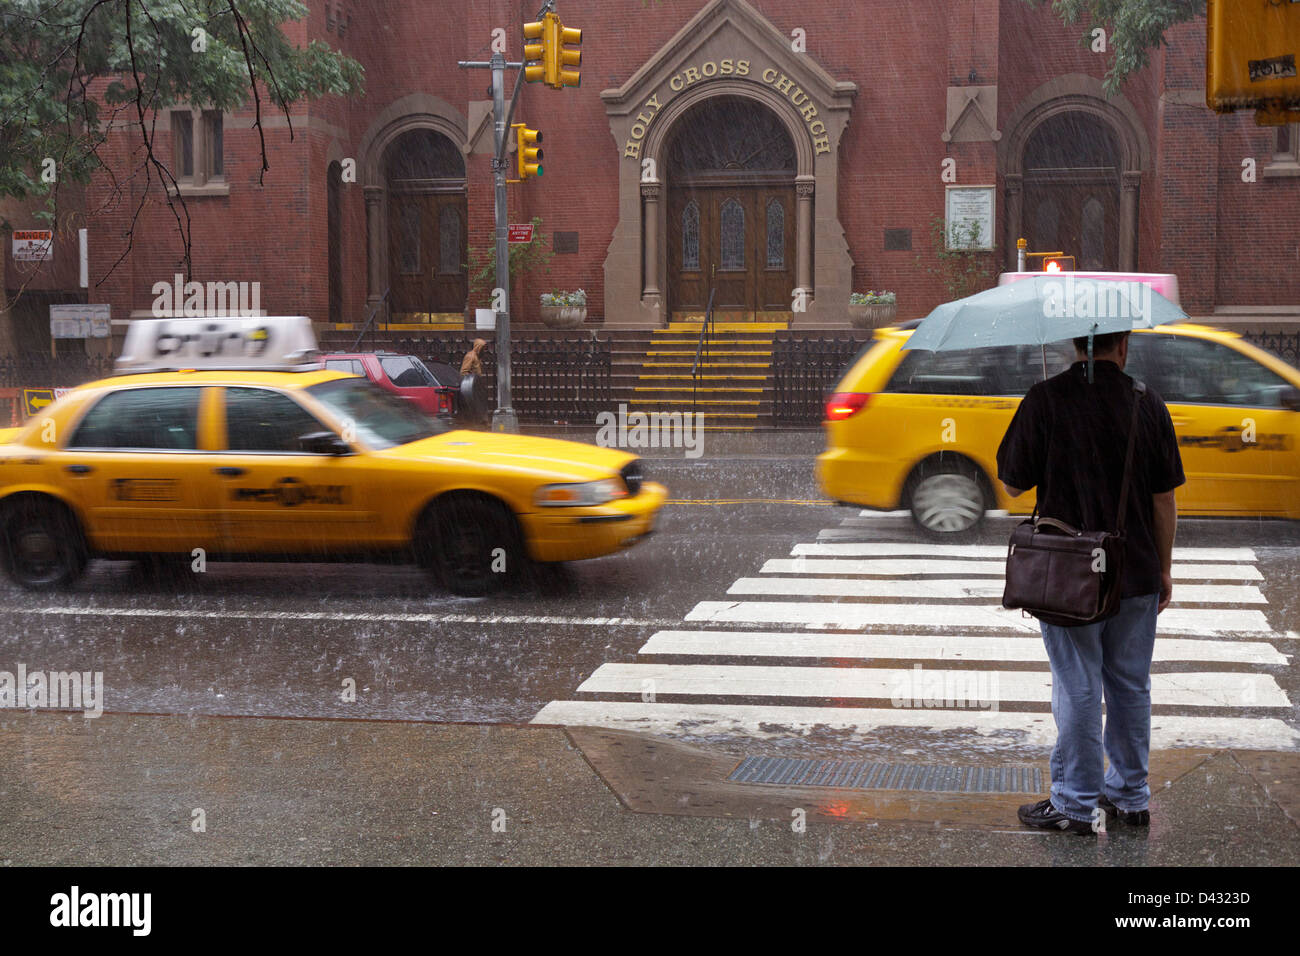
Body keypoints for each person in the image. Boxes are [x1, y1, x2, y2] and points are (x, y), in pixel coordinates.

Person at [996, 331, 1185, 835]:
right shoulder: (1149, 403)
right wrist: (1164, 567)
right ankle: (1130, 796)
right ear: (1122, 348)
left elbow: (1013, 482)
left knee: (1077, 684)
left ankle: (1075, 804)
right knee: (1129, 685)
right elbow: (1164, 498)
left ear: (1073, 347)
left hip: (1070, 575)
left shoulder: (1046, 399)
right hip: (1136, 569)